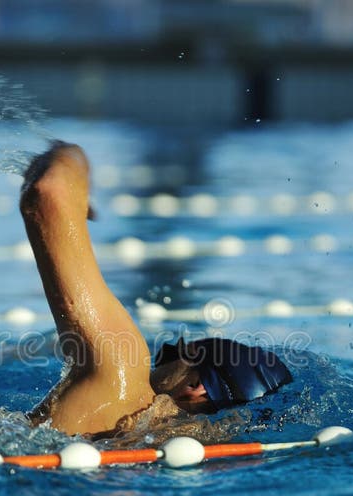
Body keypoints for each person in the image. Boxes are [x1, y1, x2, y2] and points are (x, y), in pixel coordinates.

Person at [19, 141, 292, 437]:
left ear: (196, 387)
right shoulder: (150, 448)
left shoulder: (122, 375)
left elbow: (49, 193)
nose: (159, 358)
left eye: (177, 352)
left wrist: (72, 156)